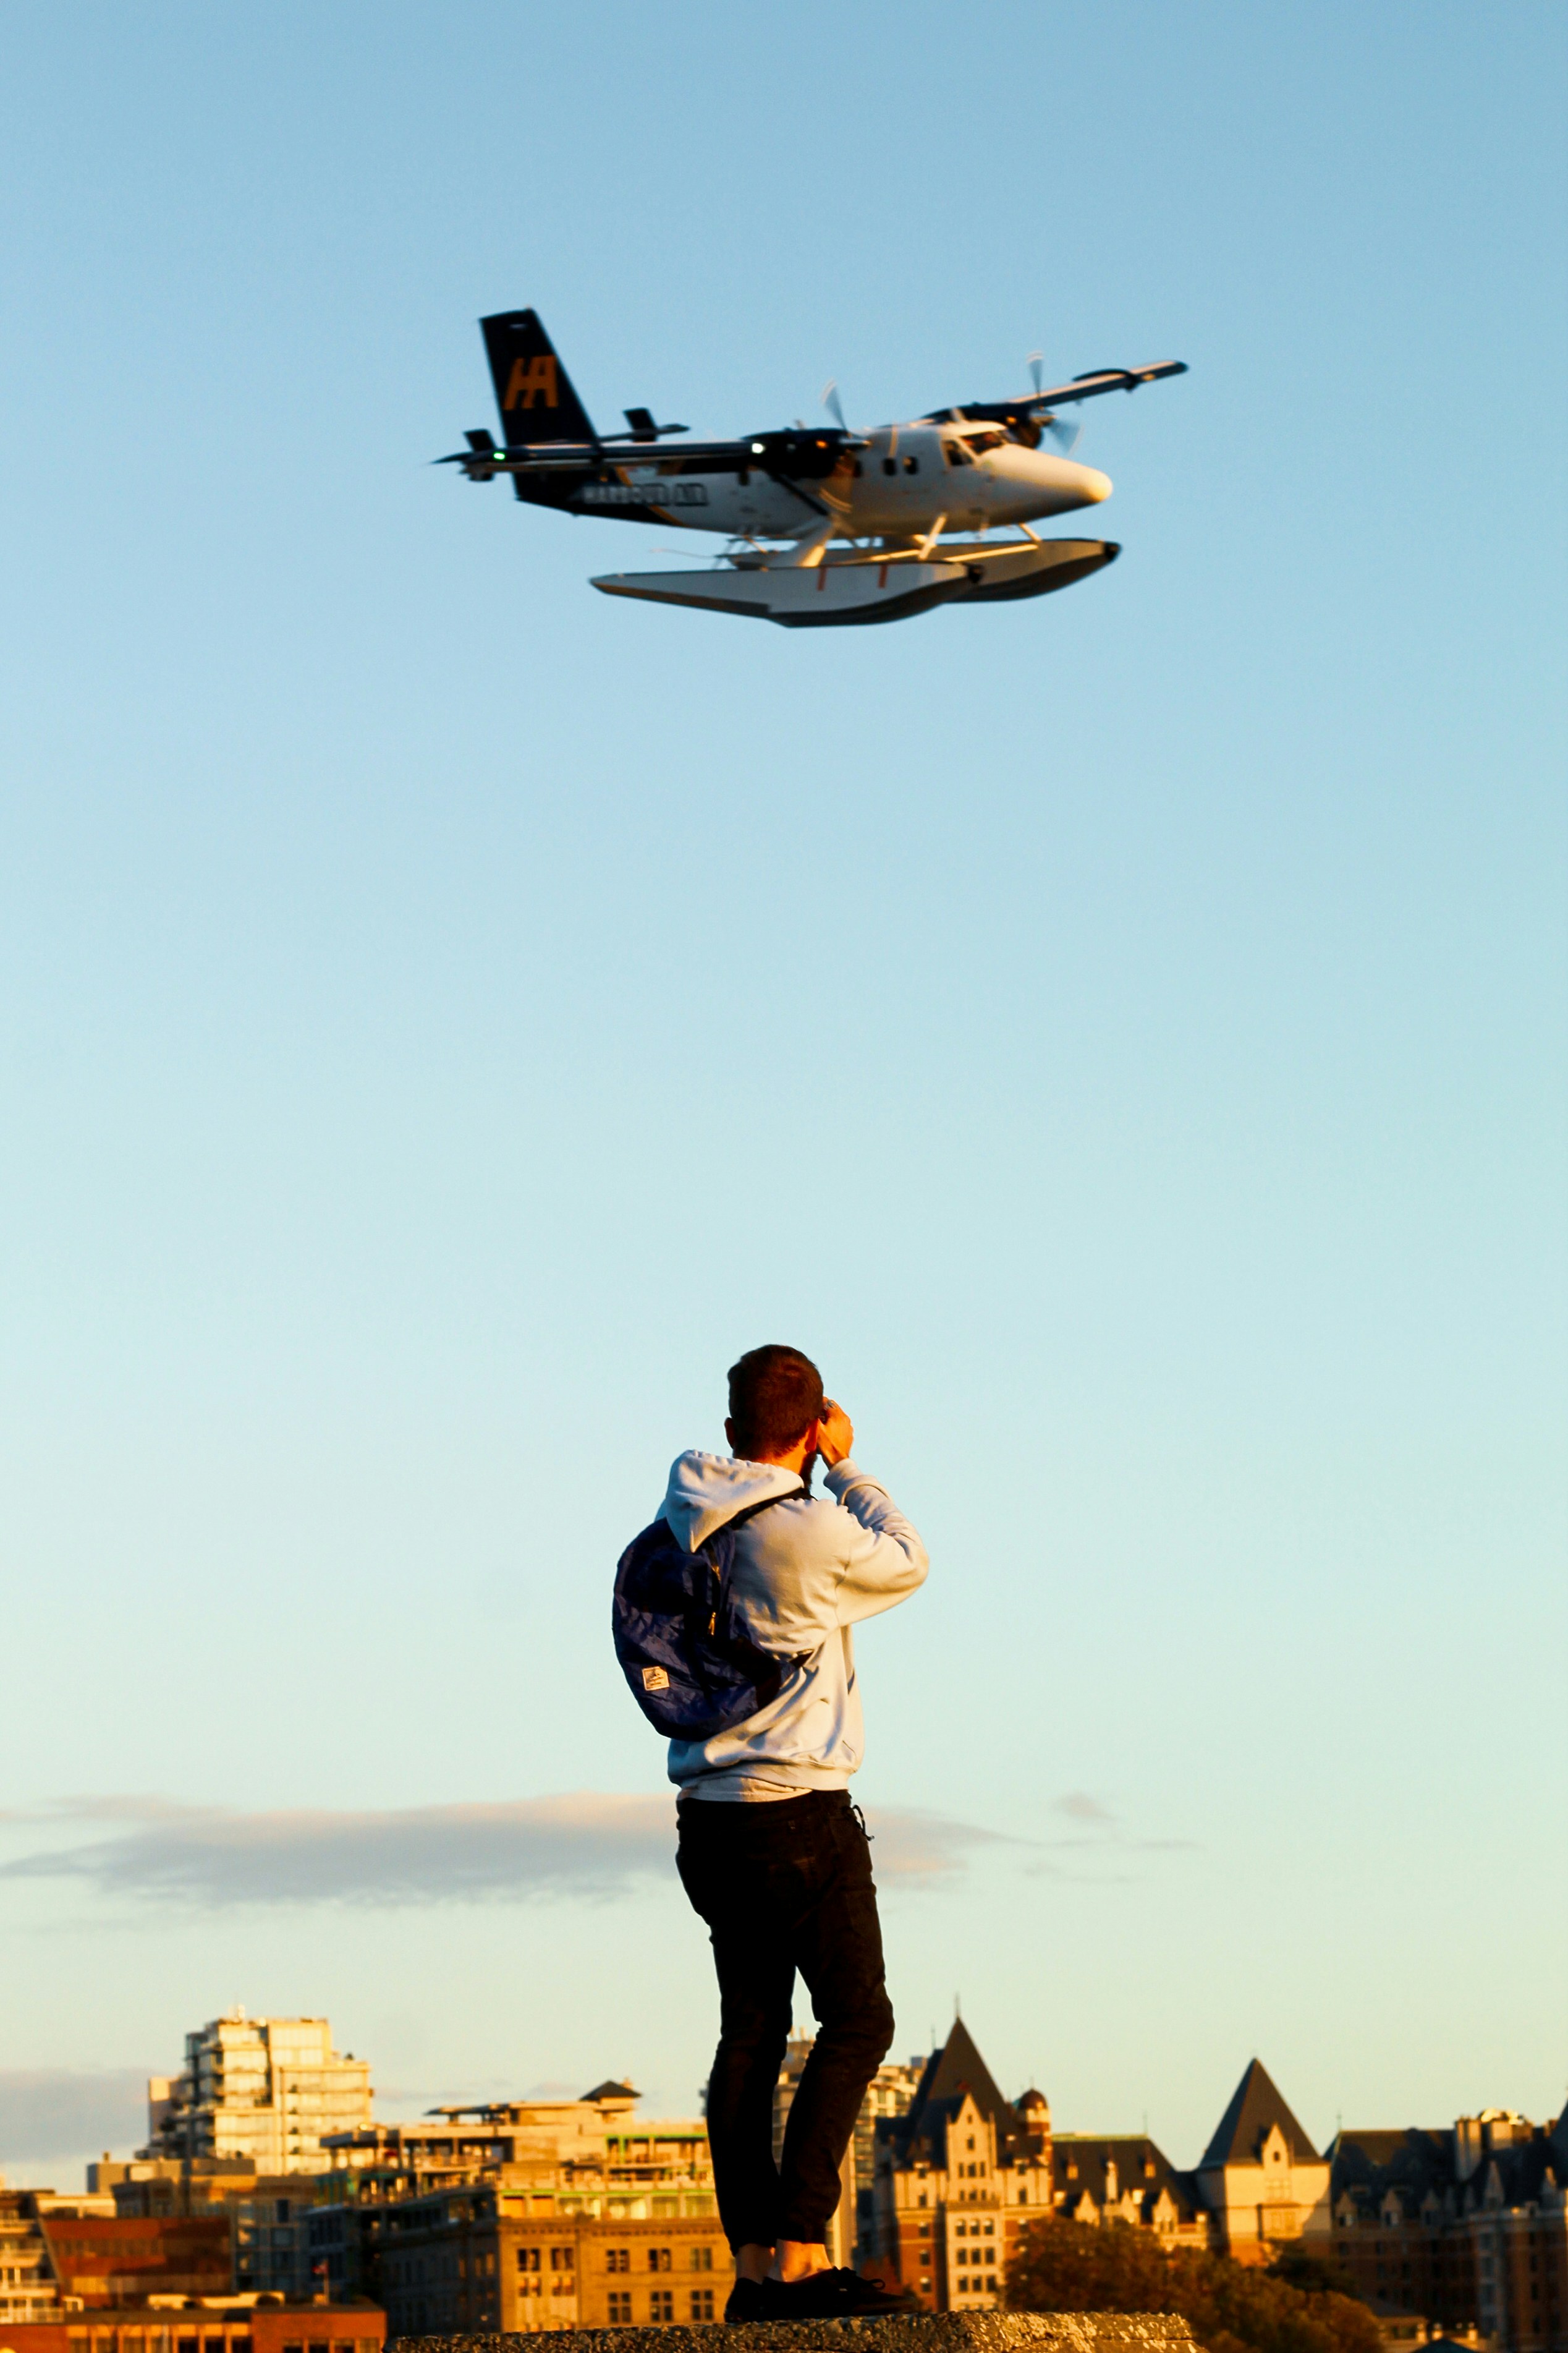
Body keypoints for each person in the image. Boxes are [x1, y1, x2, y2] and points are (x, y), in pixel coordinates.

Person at [659, 1342, 929, 2319]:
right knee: (858, 2020)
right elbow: (907, 1560)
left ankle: (752, 2268)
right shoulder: (809, 1529)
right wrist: (850, 1466)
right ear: (812, 1430)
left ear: (732, 1432)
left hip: (707, 1819)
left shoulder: (680, 1513)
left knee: (751, 2031)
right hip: (800, 1814)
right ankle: (802, 2251)